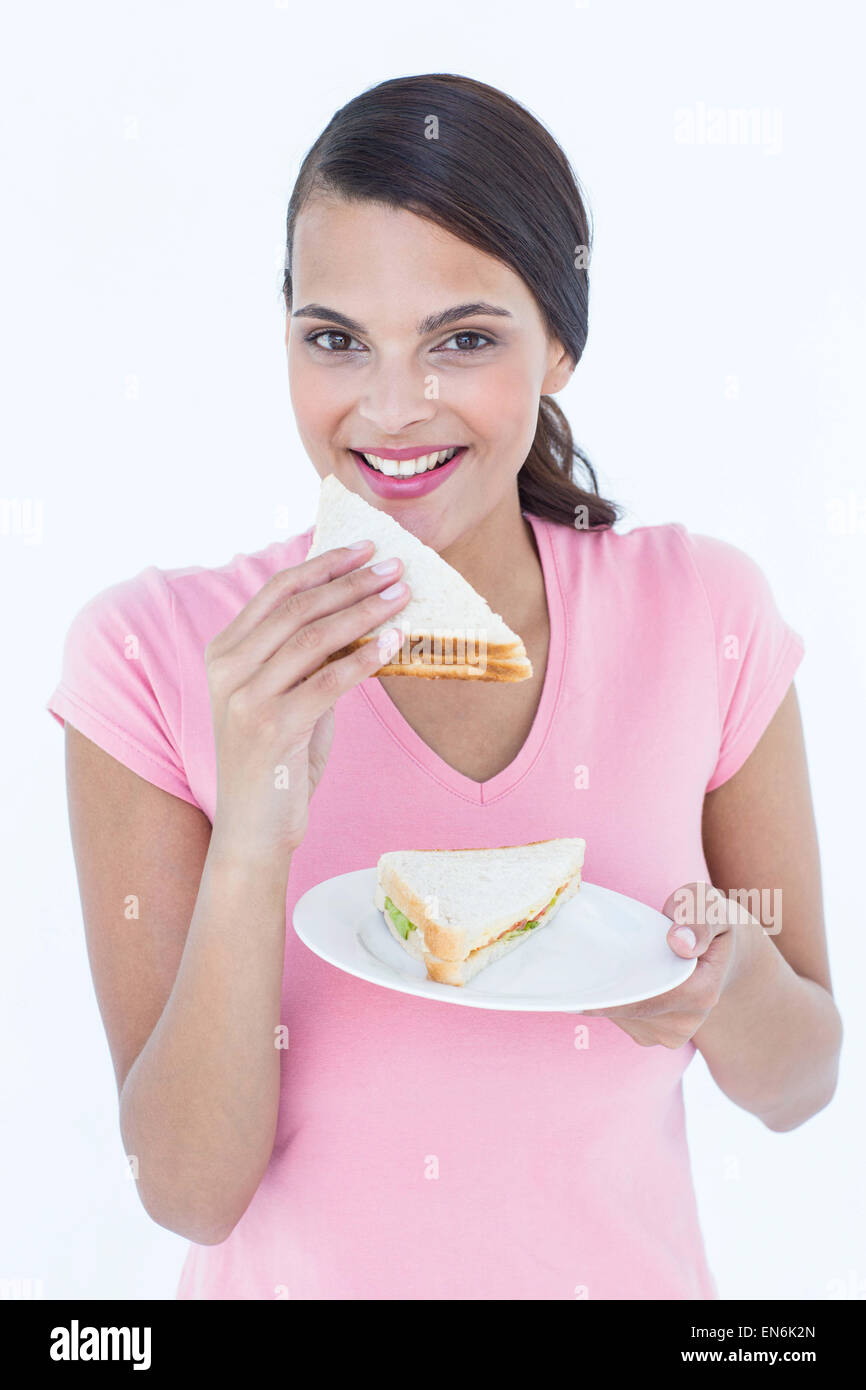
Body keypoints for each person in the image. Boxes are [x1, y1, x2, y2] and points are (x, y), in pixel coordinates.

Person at [46, 72, 841, 1300]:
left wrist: (723, 979)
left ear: (560, 343)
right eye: (334, 339)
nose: (389, 406)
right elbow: (186, 1189)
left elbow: (800, 1083)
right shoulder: (154, 653)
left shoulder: (704, 615)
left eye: (461, 338)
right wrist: (256, 837)